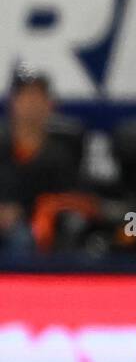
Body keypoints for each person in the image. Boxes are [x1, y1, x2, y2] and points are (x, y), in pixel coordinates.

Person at [0, 71, 80, 259]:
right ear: (13, 102)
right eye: (26, 96)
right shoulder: (2, 147)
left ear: (50, 104)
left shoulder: (61, 153)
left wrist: (28, 213)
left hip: (36, 226)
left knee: (22, 238)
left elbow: (72, 196)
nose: (32, 104)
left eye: (38, 96)